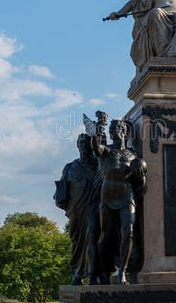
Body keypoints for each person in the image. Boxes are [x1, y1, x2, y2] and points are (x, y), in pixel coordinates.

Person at [92, 118, 147, 284]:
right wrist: (98, 129)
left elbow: (140, 178)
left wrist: (141, 172)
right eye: (112, 128)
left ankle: (122, 270)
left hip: (126, 195)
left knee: (128, 231)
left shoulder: (133, 154)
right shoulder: (106, 150)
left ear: (124, 131)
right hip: (108, 195)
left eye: (118, 127)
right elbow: (96, 146)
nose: (114, 130)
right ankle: (103, 269)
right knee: (105, 235)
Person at [54, 133, 102, 285]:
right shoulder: (69, 168)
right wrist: (61, 200)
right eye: (80, 144)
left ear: (90, 146)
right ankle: (77, 273)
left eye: (85, 144)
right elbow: (60, 193)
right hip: (75, 212)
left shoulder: (98, 165)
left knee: (92, 235)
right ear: (77, 146)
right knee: (76, 243)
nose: (82, 146)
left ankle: (93, 274)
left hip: (92, 207)